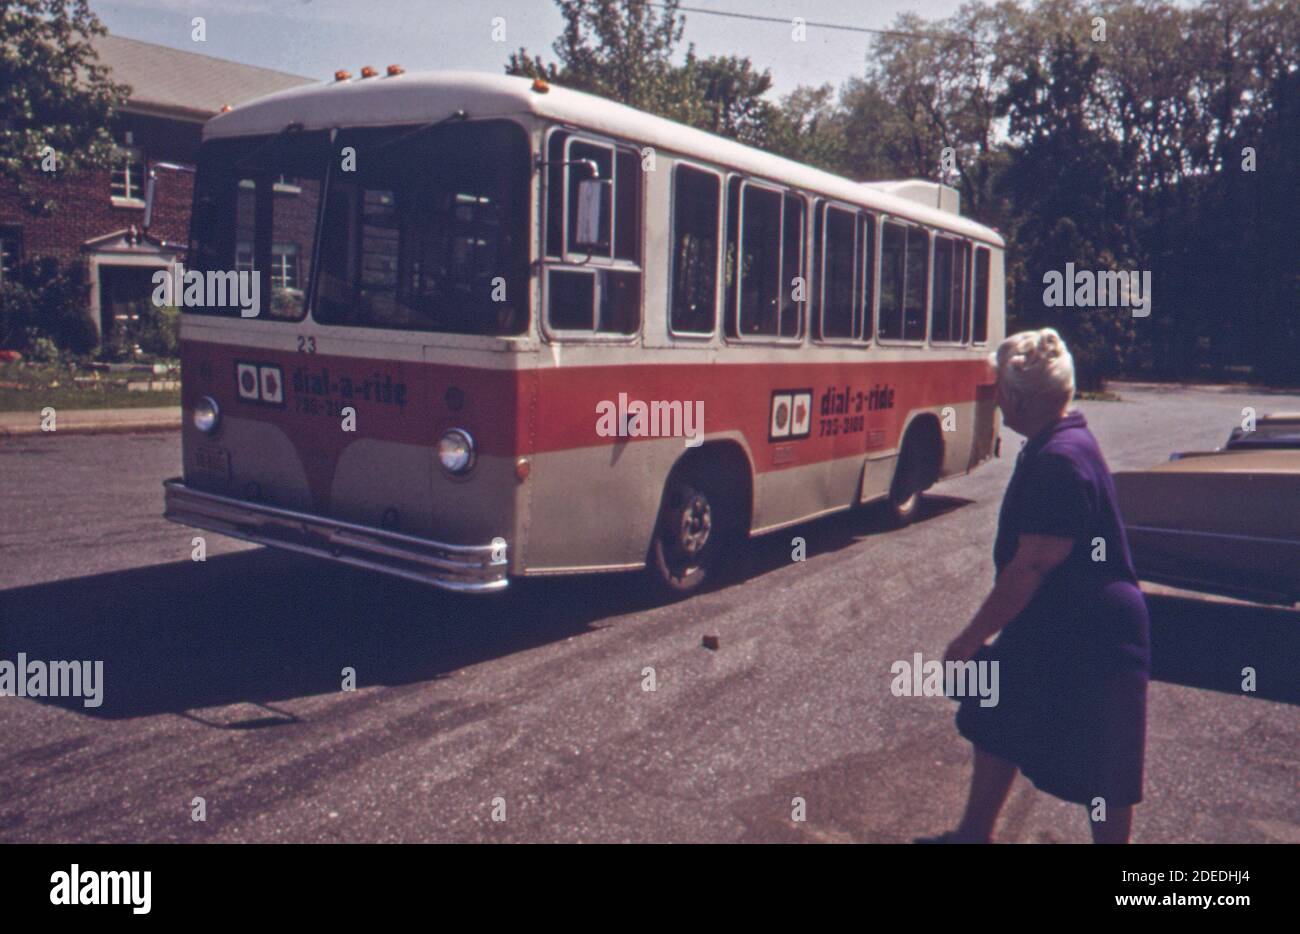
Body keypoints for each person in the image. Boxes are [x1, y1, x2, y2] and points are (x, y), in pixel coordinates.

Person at [918, 328, 1150, 844]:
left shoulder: (1059, 460)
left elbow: (1031, 567)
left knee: (1104, 761)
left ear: (1019, 399)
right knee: (997, 715)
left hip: (1091, 627)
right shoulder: (1059, 440)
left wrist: (969, 639)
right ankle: (973, 834)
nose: (996, 400)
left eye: (1000, 390)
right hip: (1055, 615)